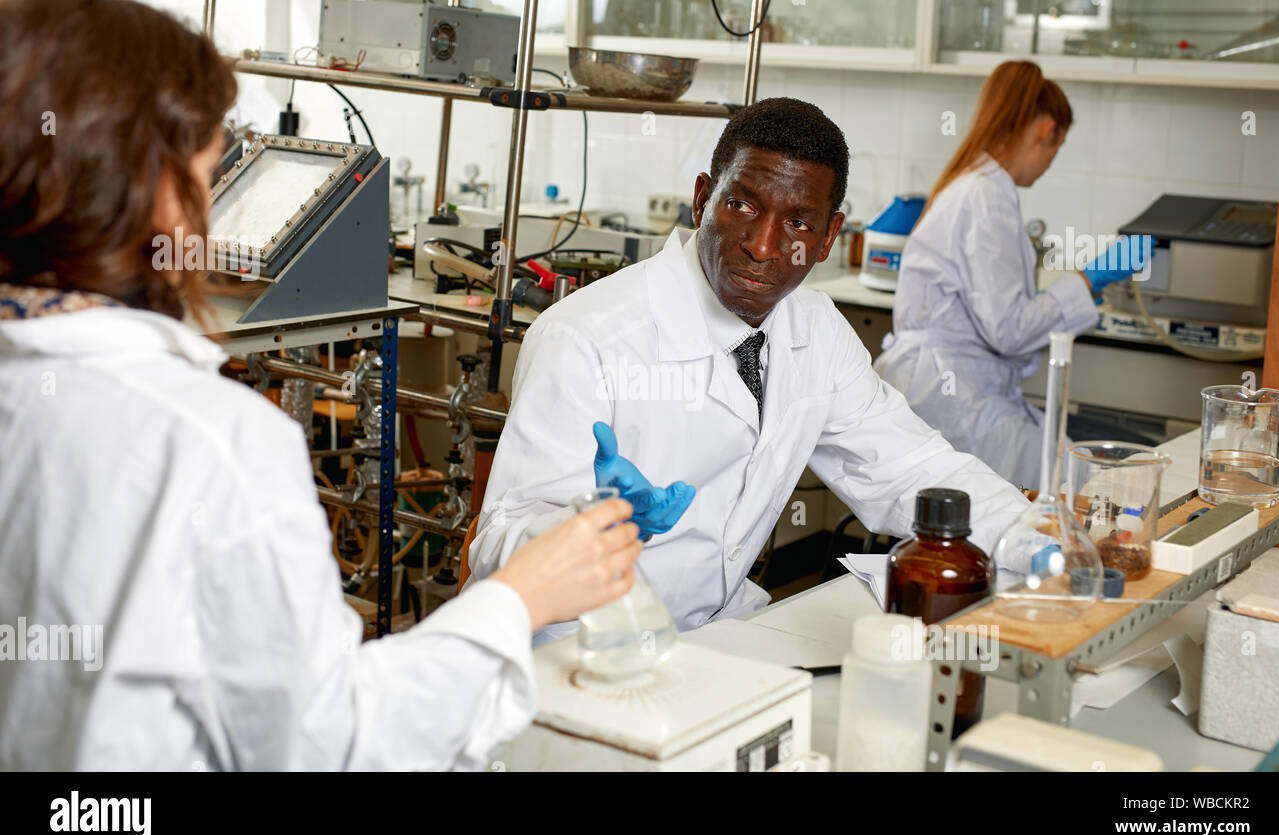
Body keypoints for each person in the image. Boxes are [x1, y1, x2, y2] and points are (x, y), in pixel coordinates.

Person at [0, 0, 641, 771]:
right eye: (207, 176)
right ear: (155, 193)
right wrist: (521, 598)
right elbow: (330, 742)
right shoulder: (211, 442)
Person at [468, 97, 1031, 644]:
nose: (763, 247)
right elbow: (496, 542)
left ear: (828, 237)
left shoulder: (816, 329)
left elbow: (910, 467)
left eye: (798, 224)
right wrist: (590, 529)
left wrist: (1034, 540)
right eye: (742, 206)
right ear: (702, 199)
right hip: (575, 648)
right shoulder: (585, 337)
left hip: (716, 636)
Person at [873, 60, 1153, 491]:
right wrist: (1088, 280)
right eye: (1055, 150)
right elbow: (1009, 330)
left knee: (1069, 473)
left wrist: (1074, 295)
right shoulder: (985, 196)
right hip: (958, 407)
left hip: (950, 392)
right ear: (1046, 132)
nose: (1047, 166)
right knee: (1091, 485)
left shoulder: (975, 185)